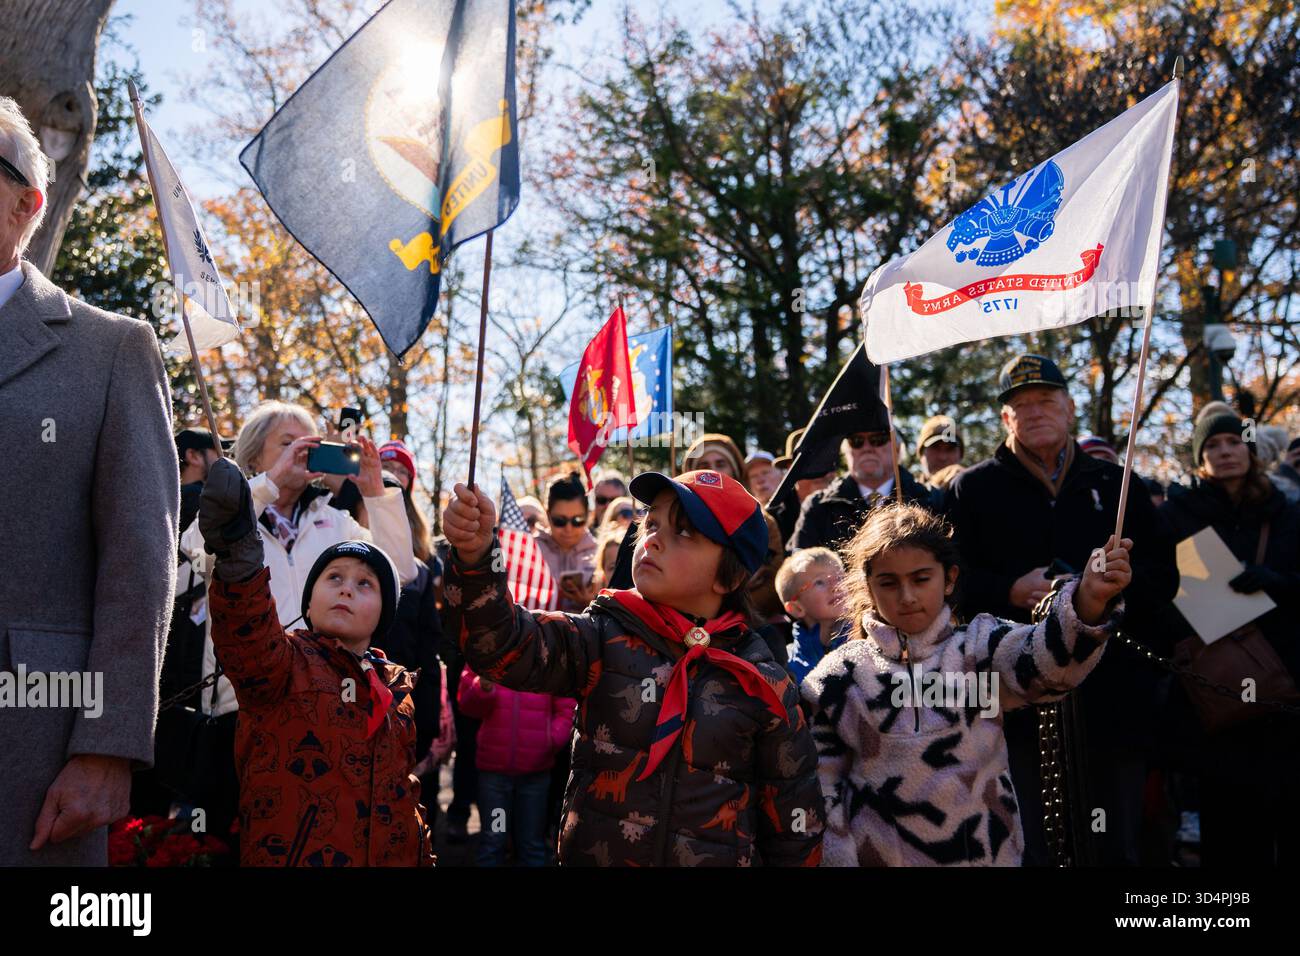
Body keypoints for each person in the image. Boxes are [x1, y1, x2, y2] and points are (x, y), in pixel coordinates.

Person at [441, 469, 825, 866]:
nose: (653, 539)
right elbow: (498, 646)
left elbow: (795, 824)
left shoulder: (764, 682)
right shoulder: (601, 636)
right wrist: (475, 556)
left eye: (685, 532)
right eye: (652, 523)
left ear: (729, 575)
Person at [1, 96, 180, 865]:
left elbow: (139, 566)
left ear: (25, 205)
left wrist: (106, 747)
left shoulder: (110, 353)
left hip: (32, 750)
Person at [943, 353, 1178, 866]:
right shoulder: (969, 490)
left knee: (1116, 843)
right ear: (1006, 419)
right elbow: (946, 586)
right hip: (1013, 705)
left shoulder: (1117, 485)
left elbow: (1165, 581)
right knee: (1030, 846)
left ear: (1069, 406)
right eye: (1020, 405)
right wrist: (1009, 589)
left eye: (1045, 400)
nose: (1034, 412)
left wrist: (1105, 594)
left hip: (1112, 699)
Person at [802, 503, 1131, 866]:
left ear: (950, 578)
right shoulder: (839, 677)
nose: (907, 596)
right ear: (867, 585)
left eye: (921, 578)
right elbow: (821, 785)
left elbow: (1050, 668)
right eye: (889, 583)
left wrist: (1088, 601)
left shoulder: (982, 649)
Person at [178, 401, 417, 845]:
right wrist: (266, 486)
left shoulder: (335, 521)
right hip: (240, 707)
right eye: (288, 444)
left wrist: (374, 493)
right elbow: (196, 549)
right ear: (253, 457)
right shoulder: (235, 506)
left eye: (311, 445)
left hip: (326, 708)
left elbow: (399, 571)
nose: (301, 454)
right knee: (233, 842)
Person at [1158, 411, 1300, 865]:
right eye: (1212, 445)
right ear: (1201, 458)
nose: (1225, 452)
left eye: (1234, 442)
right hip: (1215, 697)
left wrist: (1275, 582)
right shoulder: (1177, 515)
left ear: (1251, 450)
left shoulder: (1286, 513)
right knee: (1232, 831)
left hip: (1286, 692)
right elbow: (1158, 590)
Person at [457, 668, 576, 866]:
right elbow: (468, 706)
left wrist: (550, 741)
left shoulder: (548, 655)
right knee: (495, 839)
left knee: (531, 843)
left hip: (535, 776)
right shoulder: (491, 653)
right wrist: (483, 688)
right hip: (495, 776)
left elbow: (566, 708)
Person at [790, 427, 930, 553]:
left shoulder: (928, 499)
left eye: (878, 439)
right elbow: (798, 561)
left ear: (898, 449)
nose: (867, 448)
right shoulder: (817, 506)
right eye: (856, 441)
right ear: (846, 452)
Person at [777, 548, 849, 685]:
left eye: (840, 577)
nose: (837, 587)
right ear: (797, 608)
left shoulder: (866, 639)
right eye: (820, 582)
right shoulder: (788, 667)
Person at [535, 471, 599, 612]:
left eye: (577, 520)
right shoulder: (531, 549)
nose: (568, 529)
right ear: (547, 514)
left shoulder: (600, 553)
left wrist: (592, 604)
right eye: (560, 521)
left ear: (588, 515)